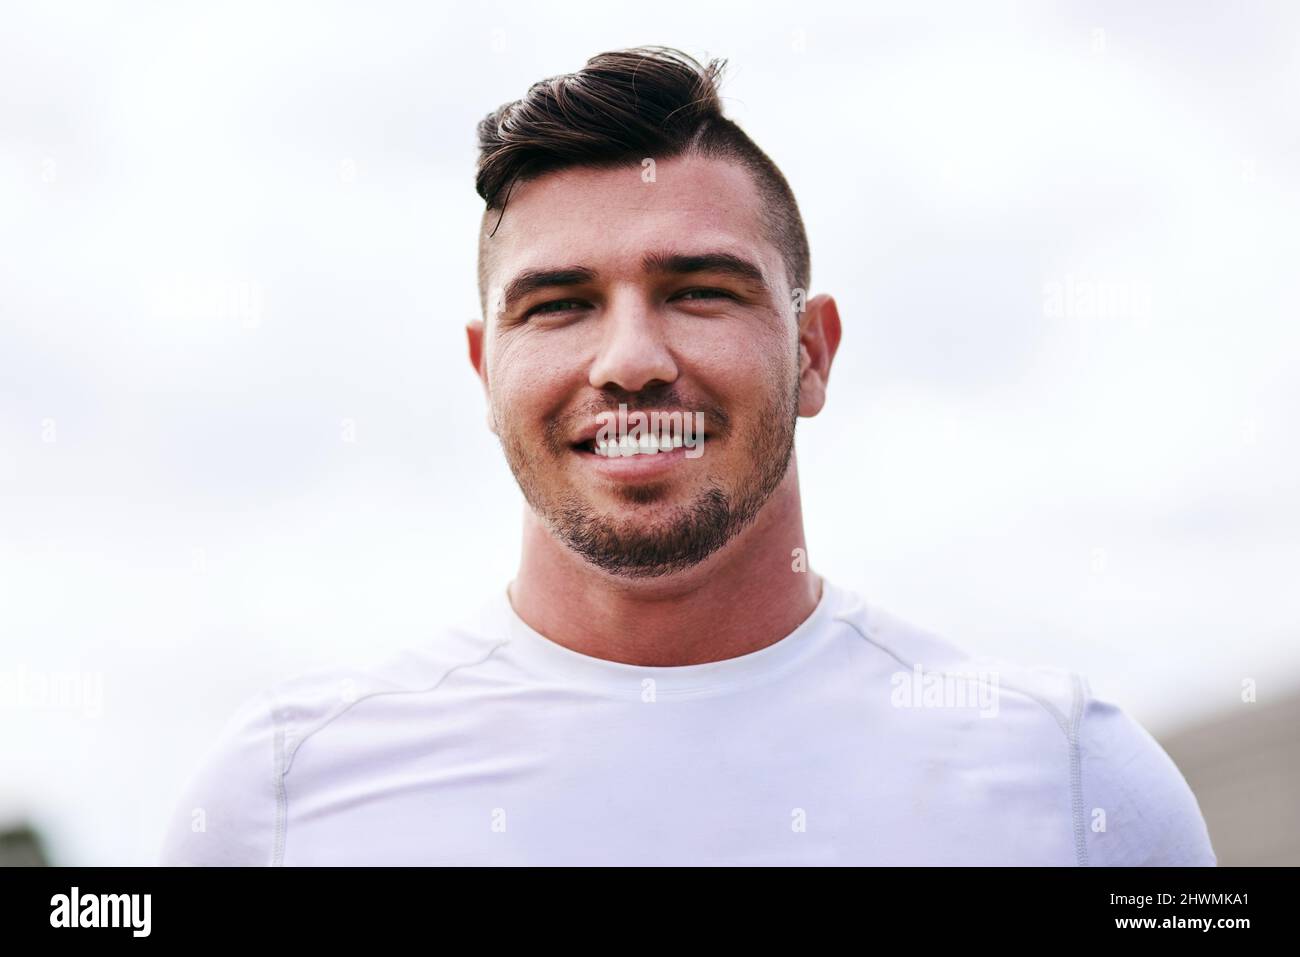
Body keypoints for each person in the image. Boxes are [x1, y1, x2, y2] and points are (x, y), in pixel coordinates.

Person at [159, 45, 1216, 866]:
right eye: (561, 305)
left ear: (810, 352)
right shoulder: (282, 796)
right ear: (485, 372)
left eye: (699, 291)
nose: (628, 360)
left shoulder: (1071, 776)